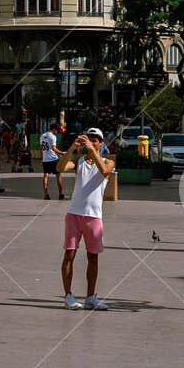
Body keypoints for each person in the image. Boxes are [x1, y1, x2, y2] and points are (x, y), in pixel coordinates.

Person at [58, 128, 115, 309]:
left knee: (93, 257)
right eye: (89, 139)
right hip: (74, 214)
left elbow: (105, 171)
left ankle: (91, 297)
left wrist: (92, 150)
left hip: (94, 216)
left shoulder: (108, 161)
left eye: (95, 140)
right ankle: (68, 296)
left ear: (101, 143)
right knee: (69, 254)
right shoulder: (79, 161)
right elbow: (59, 168)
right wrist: (73, 148)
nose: (92, 141)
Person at [38, 125, 63, 199]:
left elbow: (41, 148)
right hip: (53, 159)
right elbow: (54, 148)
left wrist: (42, 158)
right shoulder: (53, 137)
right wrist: (62, 153)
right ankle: (60, 194)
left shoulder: (42, 136)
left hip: (45, 159)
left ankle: (46, 194)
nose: (57, 131)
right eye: (57, 130)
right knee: (58, 175)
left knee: (45, 176)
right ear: (54, 129)